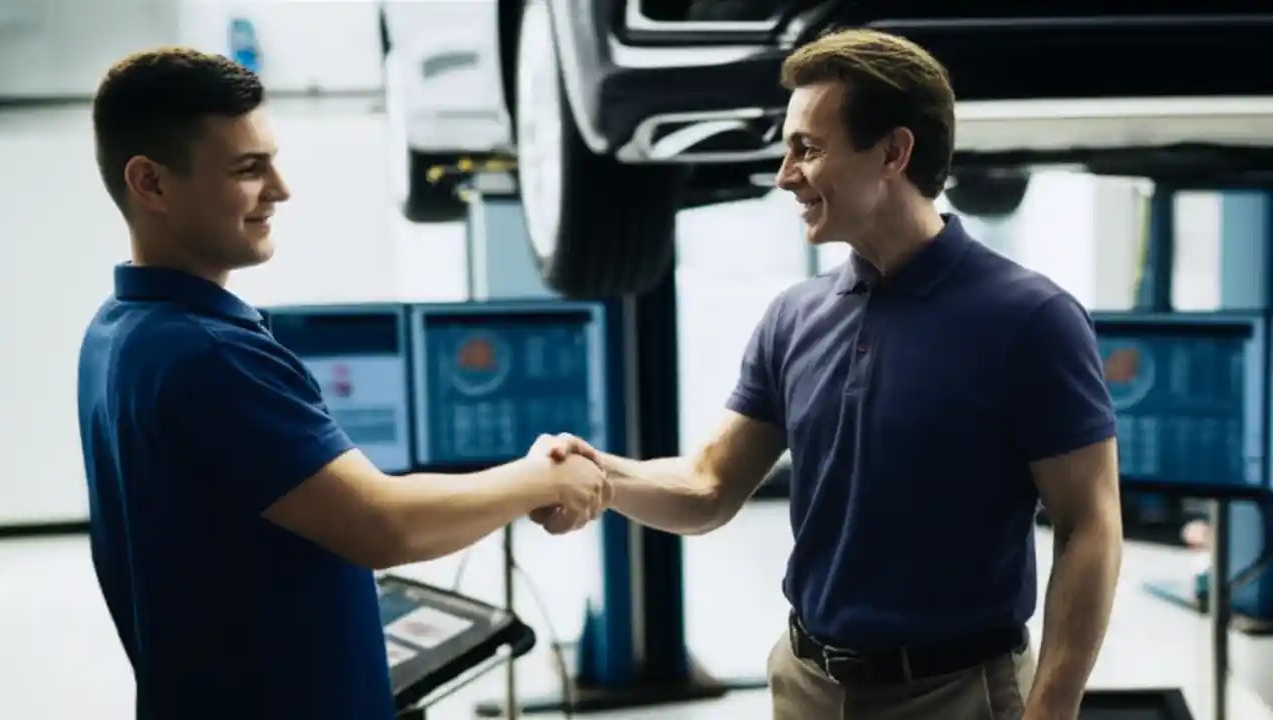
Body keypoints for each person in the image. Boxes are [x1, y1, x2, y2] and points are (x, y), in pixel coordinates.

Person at [531, 28, 1123, 720]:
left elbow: (1090, 524)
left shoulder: (1030, 319)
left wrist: (1051, 709)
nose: (785, 176)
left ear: (893, 152)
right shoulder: (794, 317)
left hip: (958, 694)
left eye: (807, 149)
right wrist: (596, 471)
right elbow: (709, 487)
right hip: (807, 683)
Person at [76, 47, 611, 720]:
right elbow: (384, 525)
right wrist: (544, 479)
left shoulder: (117, 331)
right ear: (151, 183)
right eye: (247, 168)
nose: (280, 189)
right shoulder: (208, 353)